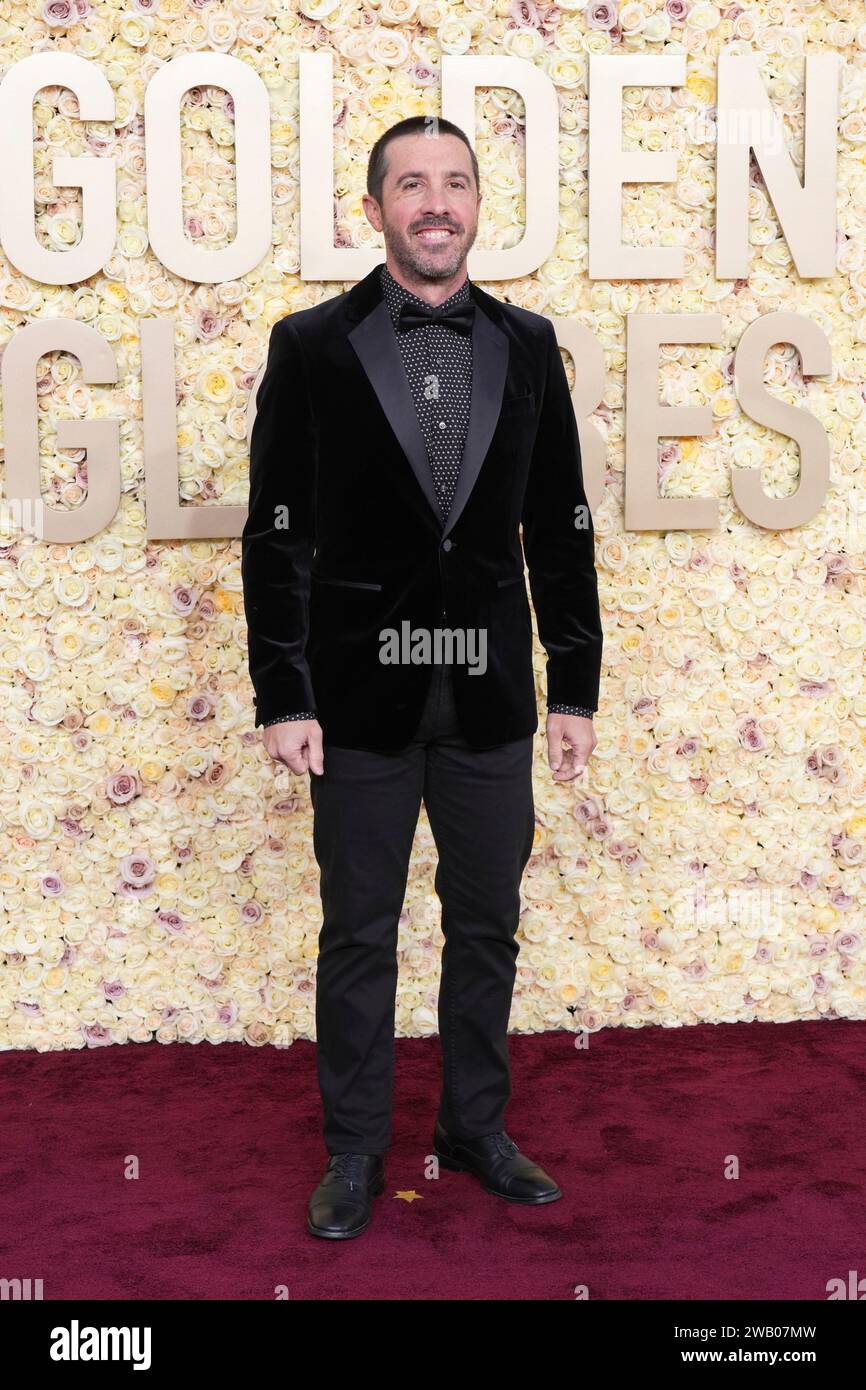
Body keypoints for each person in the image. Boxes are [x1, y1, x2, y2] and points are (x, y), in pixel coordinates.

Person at [241, 115, 603, 1240]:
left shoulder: (529, 342)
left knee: (486, 921)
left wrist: (573, 685)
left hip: (490, 691)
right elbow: (275, 535)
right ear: (375, 209)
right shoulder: (310, 345)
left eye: (452, 183)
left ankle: (472, 1128)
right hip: (356, 696)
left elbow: (560, 527)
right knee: (359, 926)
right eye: (410, 184)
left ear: (477, 205)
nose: (432, 201)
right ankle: (355, 1149)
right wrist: (283, 691)